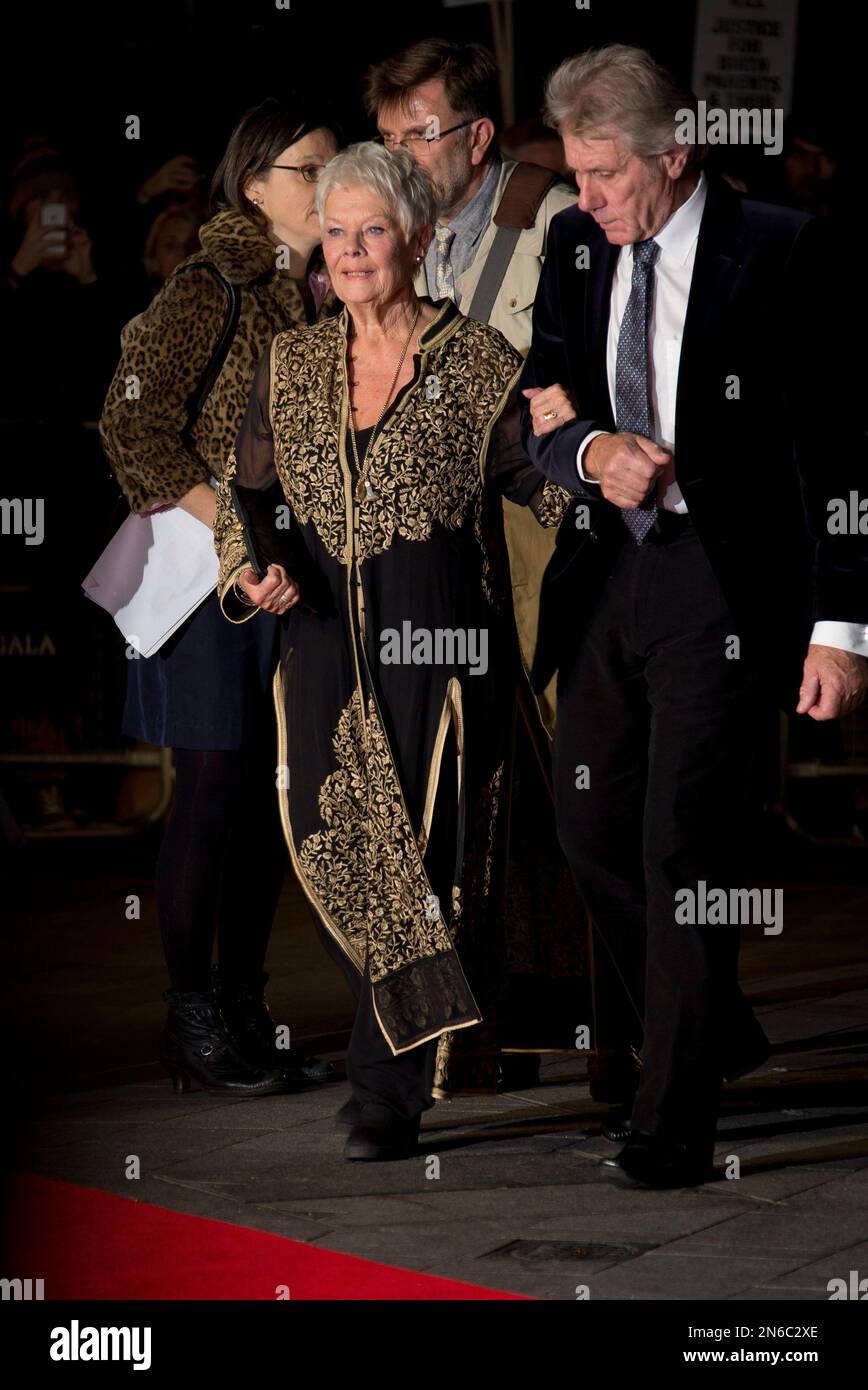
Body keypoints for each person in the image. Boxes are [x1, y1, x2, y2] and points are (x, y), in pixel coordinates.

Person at [518, 45, 868, 1188]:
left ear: (678, 153)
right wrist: (590, 448)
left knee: (683, 848)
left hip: (722, 584)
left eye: (608, 175)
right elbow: (541, 404)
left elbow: (841, 449)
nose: (587, 198)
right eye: (575, 172)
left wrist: (842, 625)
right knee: (588, 831)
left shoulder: (779, 249)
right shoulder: (575, 246)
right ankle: (708, 1016)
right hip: (605, 577)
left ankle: (671, 1119)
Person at [214, 142, 569, 1158]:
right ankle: (401, 1055)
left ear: (417, 237)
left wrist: (595, 456)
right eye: (338, 232)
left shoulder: (478, 365)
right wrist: (256, 566)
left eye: (376, 230)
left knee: (420, 860)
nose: (356, 250)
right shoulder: (290, 362)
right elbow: (249, 495)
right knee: (339, 858)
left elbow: (541, 484)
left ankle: (386, 1089)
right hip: (321, 652)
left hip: (442, 656)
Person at [364, 39, 597, 1090]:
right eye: (385, 137)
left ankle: (619, 1024)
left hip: (544, 544)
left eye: (416, 134)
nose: (400, 156)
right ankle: (485, 1030)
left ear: (476, 135)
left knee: (576, 783)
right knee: (466, 793)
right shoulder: (395, 238)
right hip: (446, 563)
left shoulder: (551, 223)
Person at [99, 98, 342, 1098]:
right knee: (206, 798)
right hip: (210, 589)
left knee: (262, 804)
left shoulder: (324, 286)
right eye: (308, 170)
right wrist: (231, 532)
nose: (328, 187)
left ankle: (243, 1007)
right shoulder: (212, 284)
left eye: (338, 167)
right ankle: (192, 1020)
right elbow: (129, 424)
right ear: (255, 186)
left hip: (286, 584)